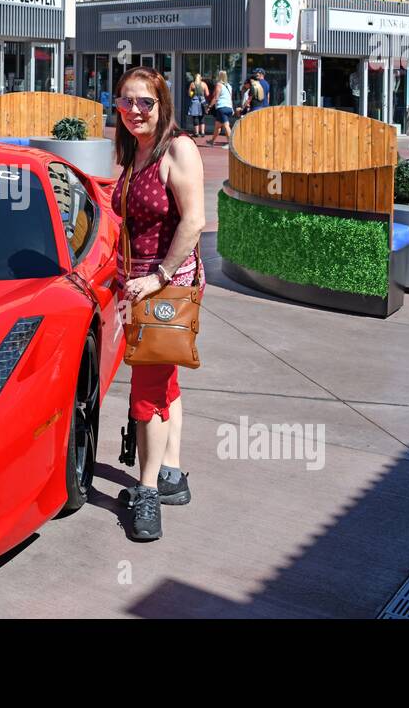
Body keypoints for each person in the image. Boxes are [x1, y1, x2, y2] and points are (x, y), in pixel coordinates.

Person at [111, 67, 207, 541]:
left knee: (147, 390)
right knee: (163, 376)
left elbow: (194, 222)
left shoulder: (177, 148)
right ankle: (171, 473)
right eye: (126, 101)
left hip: (166, 284)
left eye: (144, 102)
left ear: (162, 103)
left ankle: (146, 492)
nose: (134, 110)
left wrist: (159, 277)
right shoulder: (136, 151)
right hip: (139, 285)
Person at [206, 70, 234, 146]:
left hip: (222, 107)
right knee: (217, 126)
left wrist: (209, 106)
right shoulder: (229, 86)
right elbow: (230, 98)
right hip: (228, 107)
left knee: (226, 125)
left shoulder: (219, 85)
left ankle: (231, 143)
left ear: (219, 76)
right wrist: (232, 108)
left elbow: (216, 97)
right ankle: (212, 141)